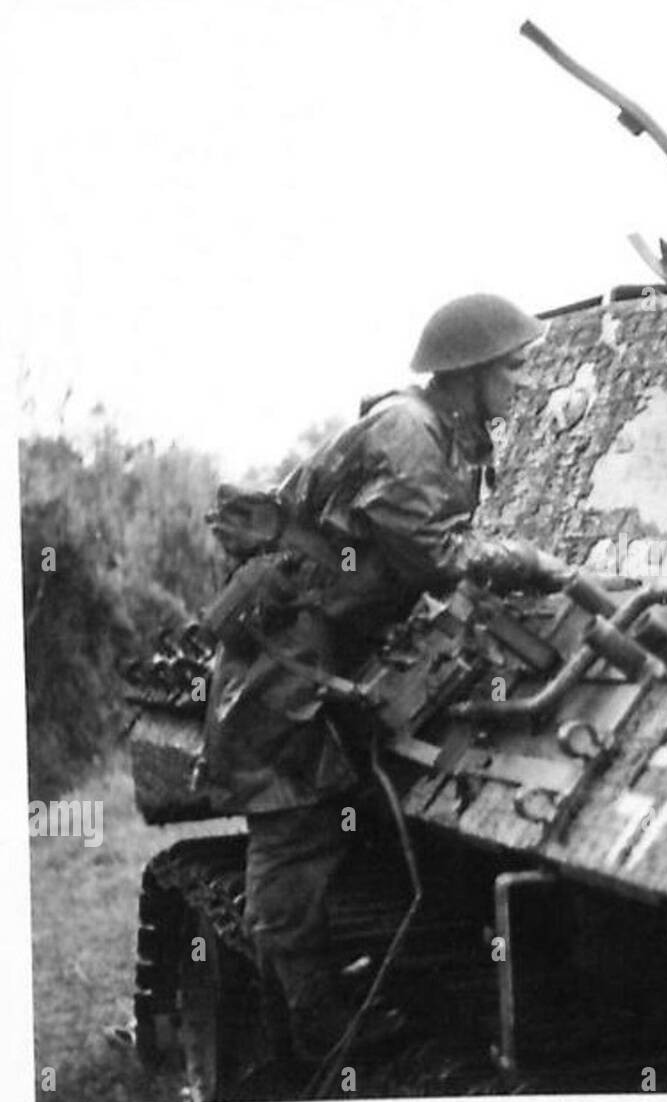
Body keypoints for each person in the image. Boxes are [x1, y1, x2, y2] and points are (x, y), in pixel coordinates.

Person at [200, 293, 568, 1060]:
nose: (521, 383)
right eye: (511, 368)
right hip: (286, 663)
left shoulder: (447, 431)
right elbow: (436, 554)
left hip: (315, 645)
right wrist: (532, 563)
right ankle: (315, 1044)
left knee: (310, 839)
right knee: (295, 842)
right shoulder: (409, 432)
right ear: (468, 373)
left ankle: (299, 1027)